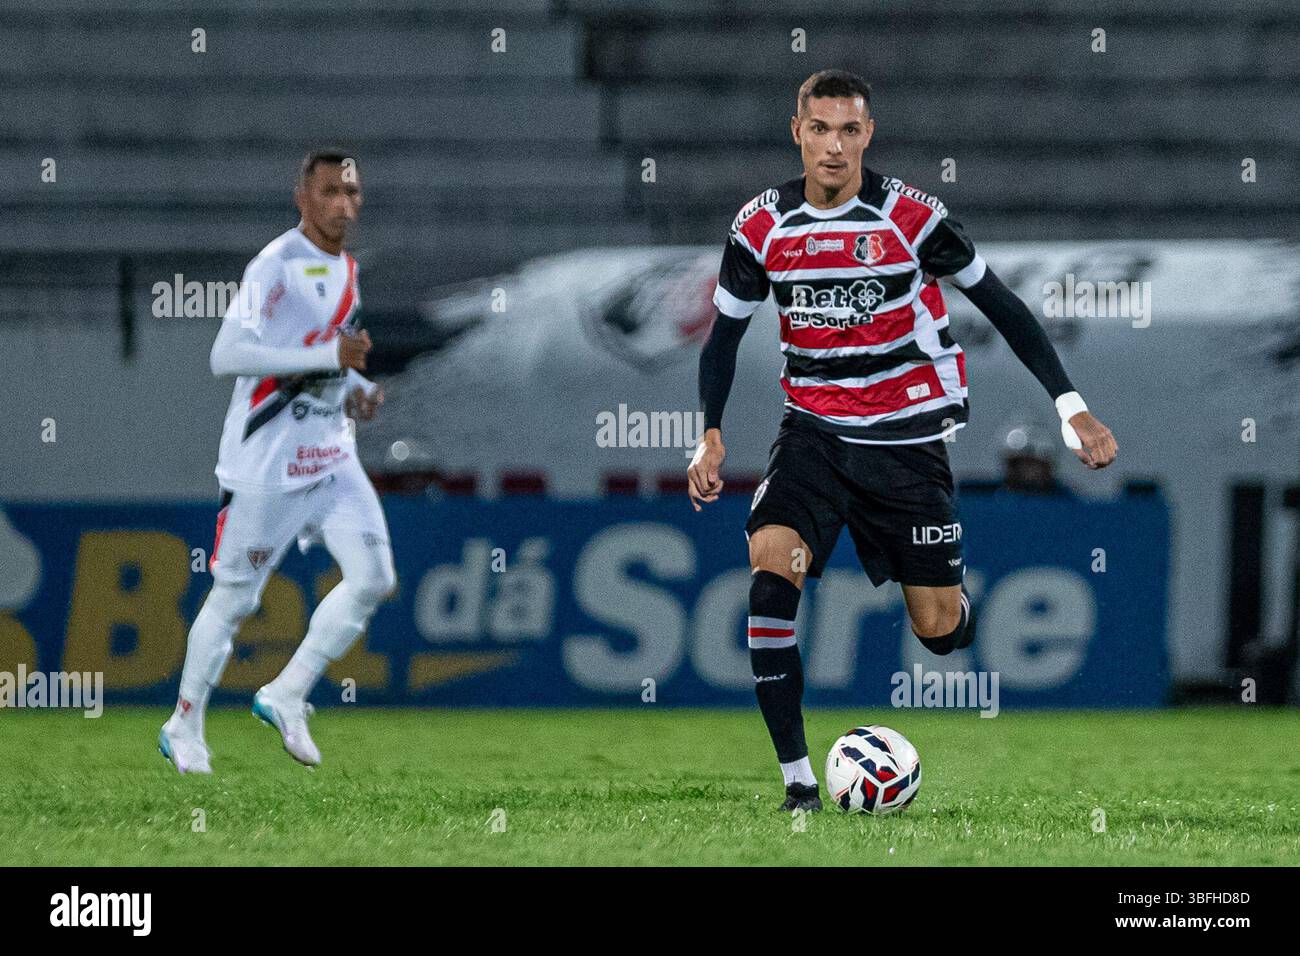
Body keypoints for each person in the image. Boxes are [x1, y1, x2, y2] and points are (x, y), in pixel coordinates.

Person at [687, 70, 1118, 811]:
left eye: (848, 130)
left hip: (906, 440)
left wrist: (1070, 405)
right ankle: (798, 787)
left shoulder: (912, 217)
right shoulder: (760, 226)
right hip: (814, 433)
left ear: (868, 135)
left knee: (939, 630)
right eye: (819, 128)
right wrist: (710, 433)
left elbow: (1003, 305)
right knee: (769, 569)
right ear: (797, 132)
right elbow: (723, 336)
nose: (833, 146)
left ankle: (950, 605)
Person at [159, 150, 395, 773]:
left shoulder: (346, 269)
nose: (344, 203)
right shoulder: (275, 264)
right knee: (236, 597)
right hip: (268, 464)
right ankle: (184, 723)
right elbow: (228, 354)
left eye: (352, 192)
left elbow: (328, 361)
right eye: (330, 192)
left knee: (374, 578)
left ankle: (287, 693)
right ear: (303, 197)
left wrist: (355, 394)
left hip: (331, 455)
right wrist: (327, 359)